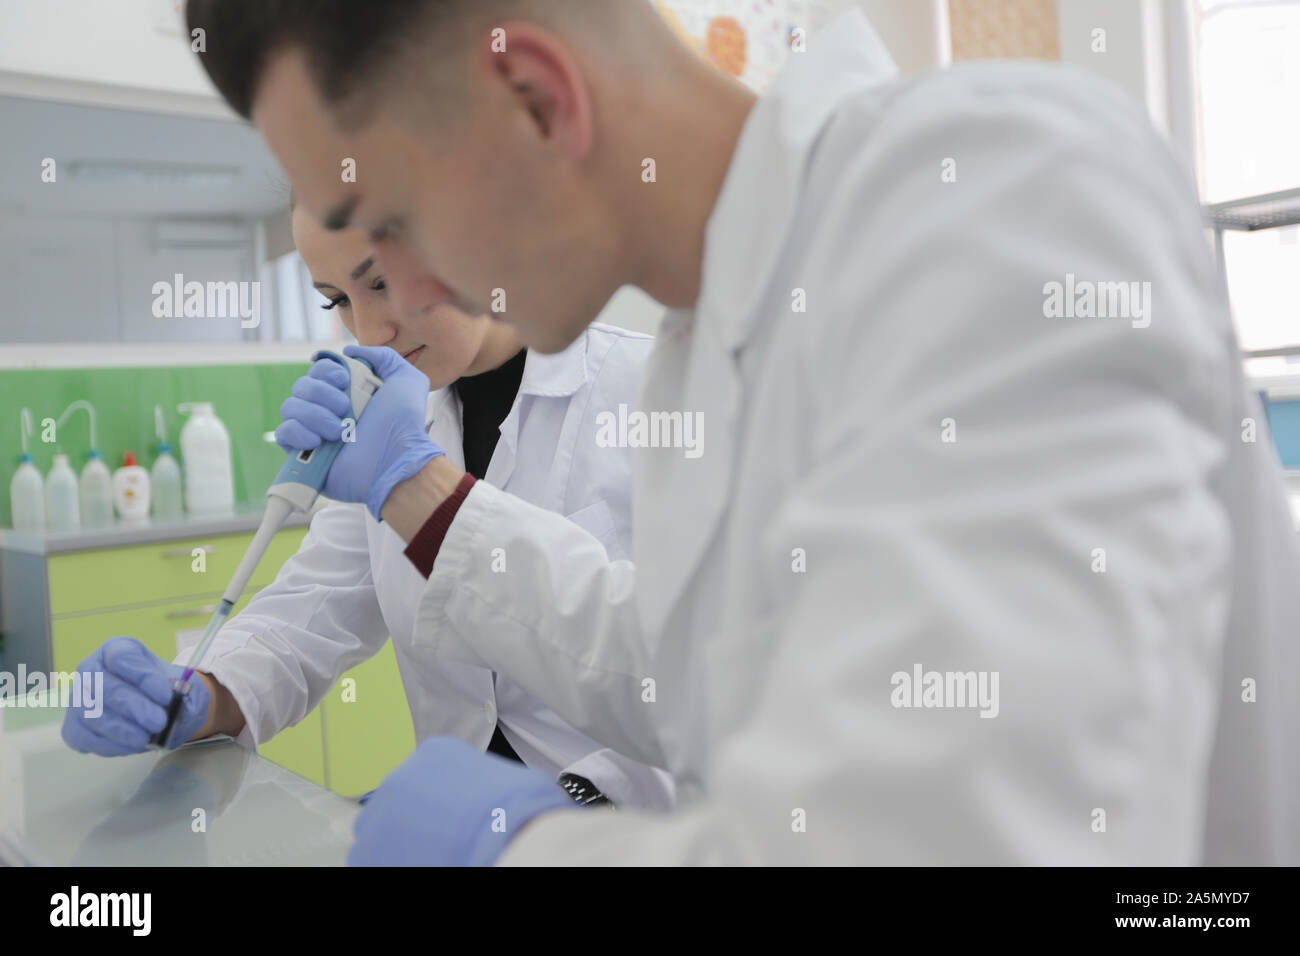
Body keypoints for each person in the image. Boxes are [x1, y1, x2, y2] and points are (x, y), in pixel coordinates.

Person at [185, 0, 1300, 865]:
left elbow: (952, 840)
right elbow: (680, 671)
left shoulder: (989, 194)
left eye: (391, 224)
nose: (398, 301)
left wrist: (518, 845)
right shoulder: (707, 344)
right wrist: (415, 500)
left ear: (535, 99)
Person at [60, 199, 674, 813]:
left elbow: (704, 684)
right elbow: (308, 614)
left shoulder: (655, 392)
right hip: (458, 832)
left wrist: (574, 801)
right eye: (338, 300)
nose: (370, 331)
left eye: (382, 283)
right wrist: (200, 694)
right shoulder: (397, 422)